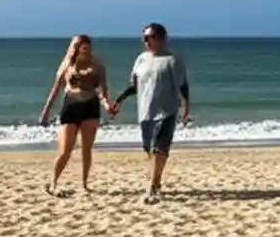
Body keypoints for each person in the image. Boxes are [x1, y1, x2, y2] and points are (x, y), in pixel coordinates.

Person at [112, 22, 191, 204]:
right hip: (145, 111)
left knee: (159, 149)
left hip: (167, 110)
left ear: (162, 39)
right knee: (149, 150)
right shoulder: (141, 59)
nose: (145, 41)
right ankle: (157, 180)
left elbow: (183, 85)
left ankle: (153, 186)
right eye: (144, 38)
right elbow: (135, 86)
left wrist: (186, 107)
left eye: (150, 37)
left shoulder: (173, 60)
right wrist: (119, 100)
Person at [38, 34, 115, 196]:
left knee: (86, 149)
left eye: (86, 45)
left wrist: (107, 104)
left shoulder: (97, 65)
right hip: (70, 107)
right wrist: (46, 112)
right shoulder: (67, 65)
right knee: (65, 149)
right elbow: (56, 90)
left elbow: (103, 90)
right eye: (78, 45)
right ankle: (53, 182)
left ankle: (85, 184)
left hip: (90, 107)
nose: (82, 48)